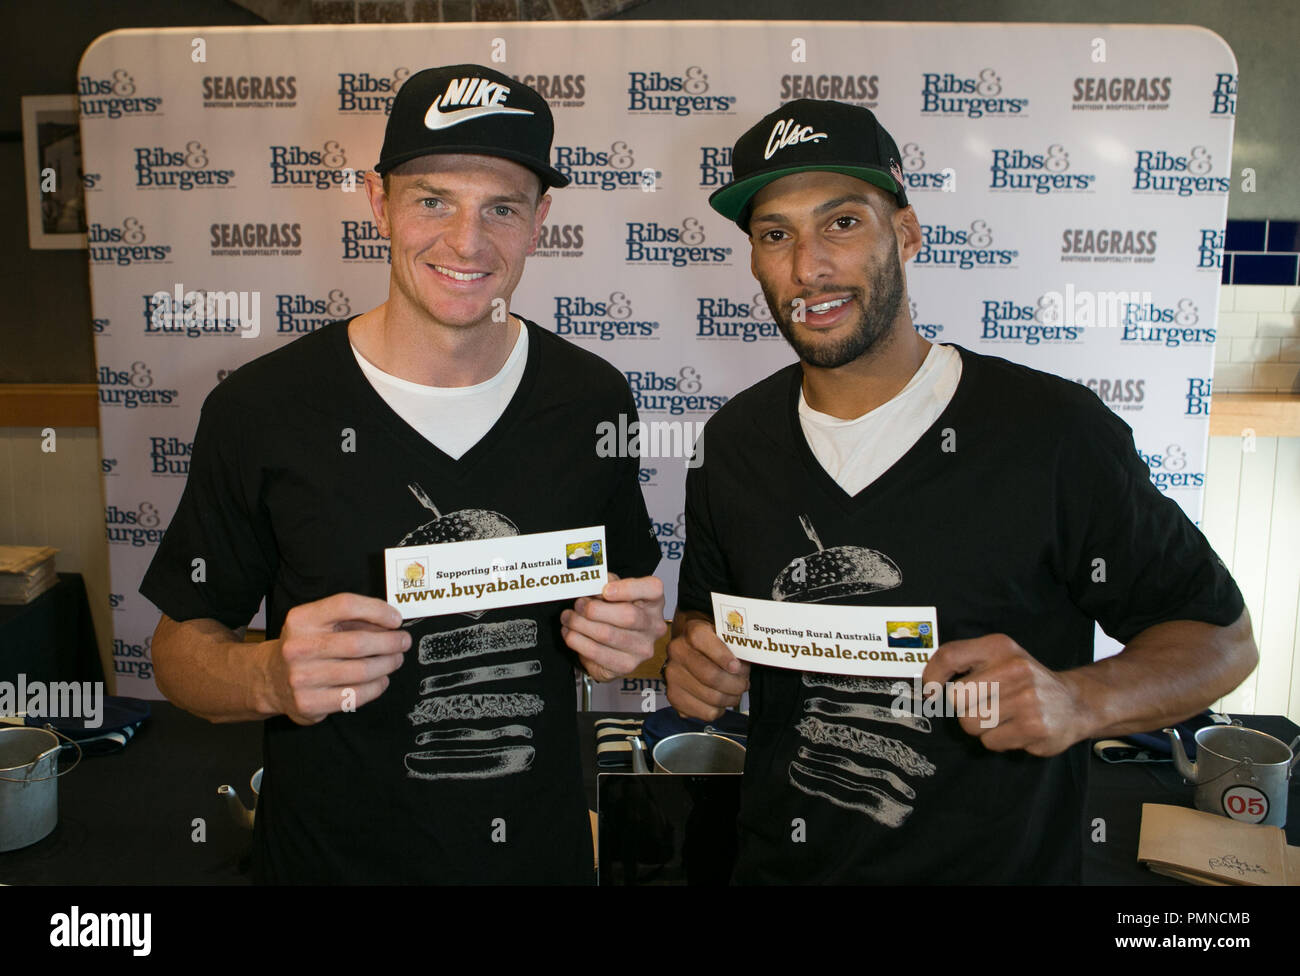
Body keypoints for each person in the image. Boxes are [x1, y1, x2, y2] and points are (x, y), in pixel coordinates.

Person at [664, 98, 1257, 884]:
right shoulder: (734, 445)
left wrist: (1081, 702)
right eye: (777, 235)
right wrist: (691, 661)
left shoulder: (1051, 432)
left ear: (906, 233)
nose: (809, 266)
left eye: (843, 222)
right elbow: (705, 627)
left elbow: (1221, 639)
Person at [141, 65, 665, 884]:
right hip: (327, 863)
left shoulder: (590, 396)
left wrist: (628, 645)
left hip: (537, 858)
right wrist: (267, 675)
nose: (466, 241)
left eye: (501, 206)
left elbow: (626, 626)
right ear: (378, 203)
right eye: (433, 200)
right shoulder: (263, 408)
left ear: (540, 222)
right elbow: (178, 651)